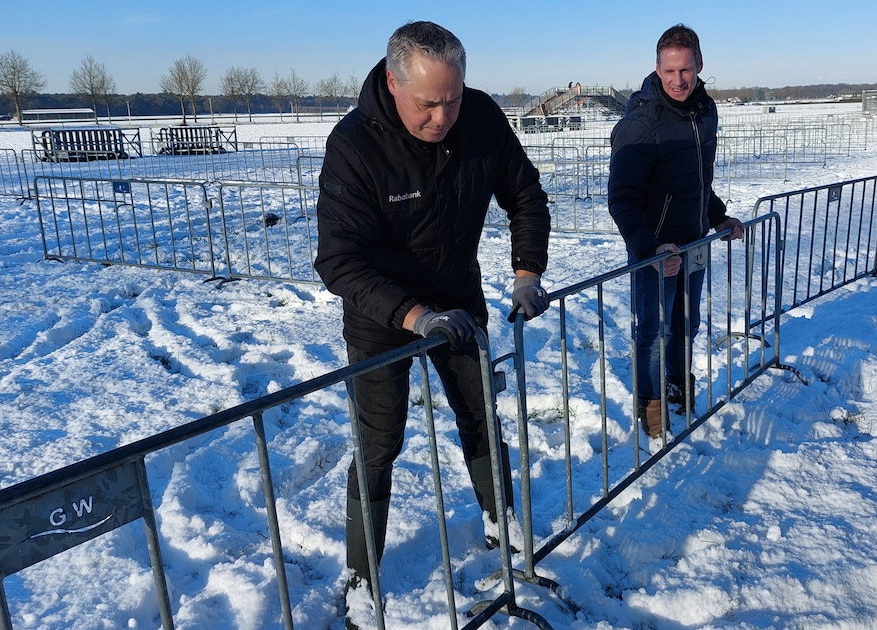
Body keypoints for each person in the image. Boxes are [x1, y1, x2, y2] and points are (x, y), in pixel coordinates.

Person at [313, 20, 552, 606]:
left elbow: (525, 195)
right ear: (393, 83)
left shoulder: (481, 118)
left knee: (480, 414)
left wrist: (527, 272)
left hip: (459, 299)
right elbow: (339, 262)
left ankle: (501, 522)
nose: (442, 117)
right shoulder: (354, 146)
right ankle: (363, 580)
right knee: (378, 442)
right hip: (380, 315)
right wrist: (414, 315)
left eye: (453, 99)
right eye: (427, 104)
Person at [608, 24, 744, 450]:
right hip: (655, 251)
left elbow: (698, 179)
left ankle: (678, 388)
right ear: (656, 68)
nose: (678, 80)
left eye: (685, 70)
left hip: (694, 244)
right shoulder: (641, 125)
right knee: (653, 331)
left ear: (699, 65)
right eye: (669, 71)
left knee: (687, 325)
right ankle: (651, 410)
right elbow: (621, 199)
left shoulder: (704, 111)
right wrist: (650, 248)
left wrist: (718, 217)